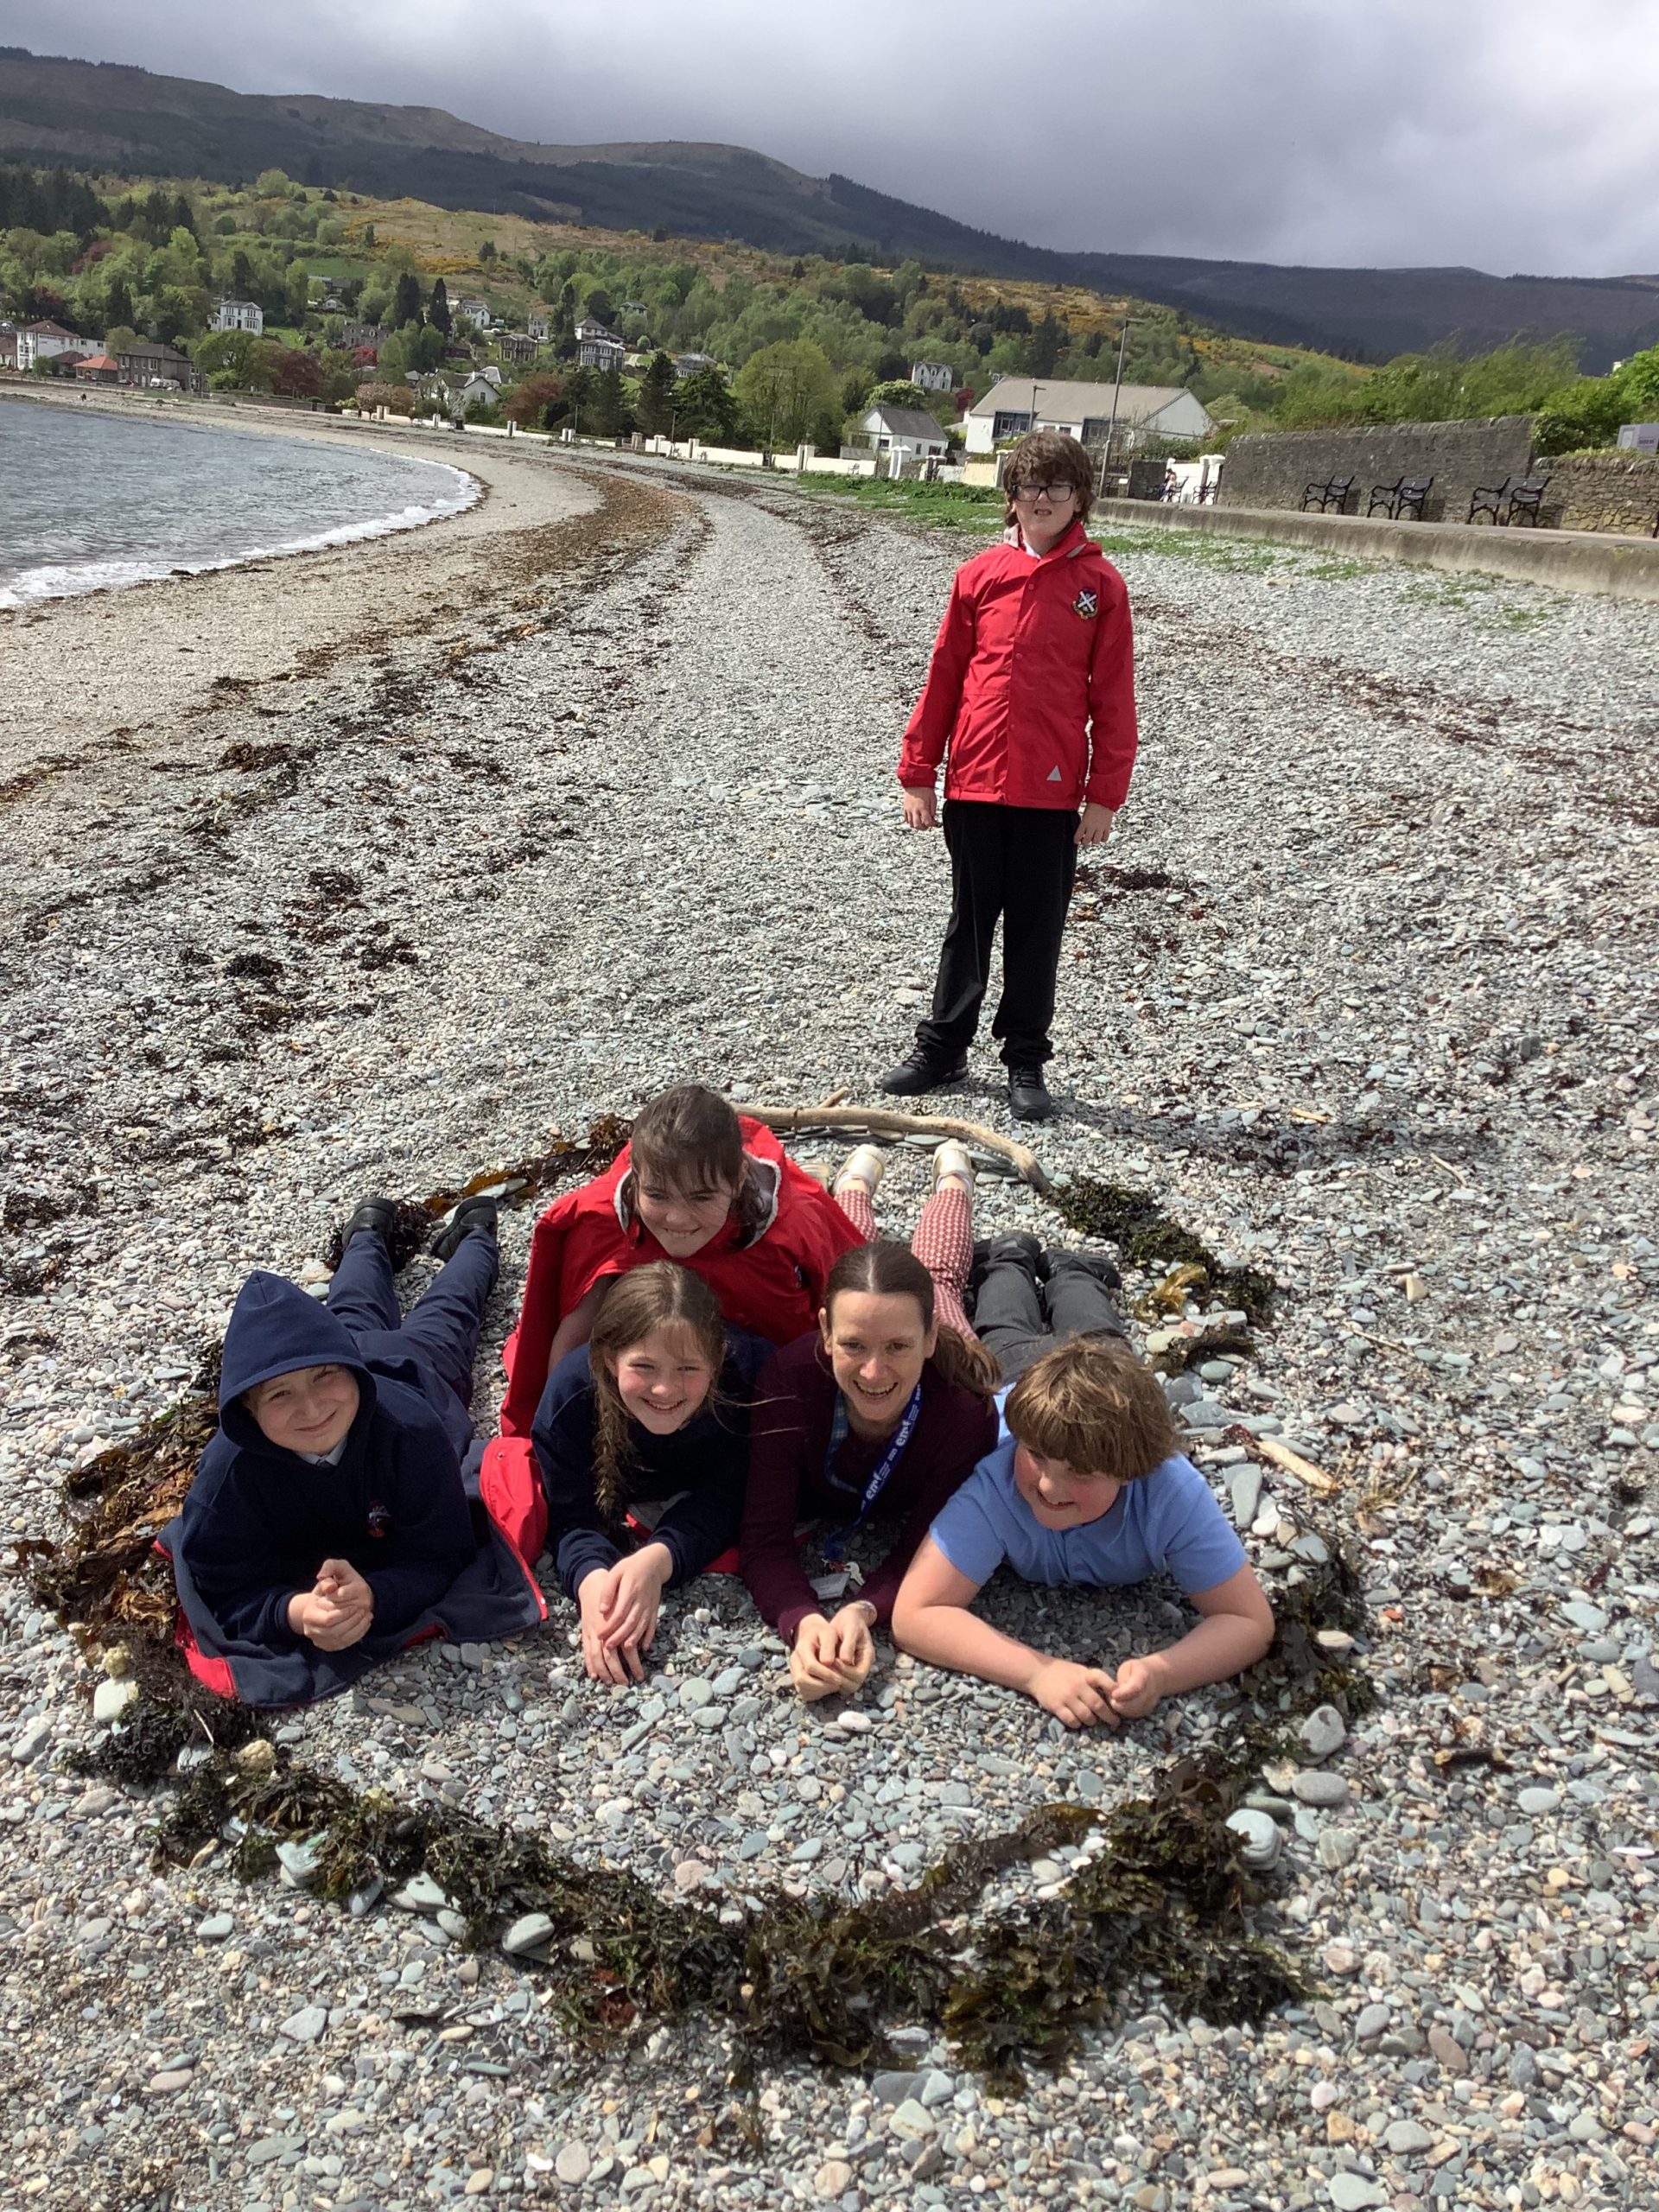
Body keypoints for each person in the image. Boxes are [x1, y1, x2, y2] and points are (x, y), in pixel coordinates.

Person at [164, 1197, 545, 1707]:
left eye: (323, 1380)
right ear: (247, 1412)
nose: (312, 1407)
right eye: (280, 1395)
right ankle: (368, 1228)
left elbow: (443, 1551)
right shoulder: (227, 1477)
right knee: (352, 1306)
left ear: (342, 1371)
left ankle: (476, 1233)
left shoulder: (410, 1433)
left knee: (449, 1310)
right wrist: (294, 1613)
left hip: (416, 1372)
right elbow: (221, 1587)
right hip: (340, 1350)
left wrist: (378, 1595)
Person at [881, 429, 1138, 1124]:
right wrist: (918, 773)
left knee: (1036, 930)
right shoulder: (978, 576)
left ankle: (1026, 1056)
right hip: (973, 784)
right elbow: (944, 677)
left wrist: (1103, 796)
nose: (1044, 498)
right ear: (1011, 498)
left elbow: (1113, 697)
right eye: (1031, 486)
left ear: (1080, 496)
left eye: (1059, 486)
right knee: (968, 923)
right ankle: (944, 1046)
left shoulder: (1100, 587)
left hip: (1052, 793)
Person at [891, 1334, 1274, 1730]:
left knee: (1084, 1295)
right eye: (1036, 1456)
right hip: (1016, 1372)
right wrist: (1038, 1673)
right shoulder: (997, 1485)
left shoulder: (1170, 1494)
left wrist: (1162, 1673)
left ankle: (1075, 1269)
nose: (1048, 1488)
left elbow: (1249, 1622)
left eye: (1080, 1473)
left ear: (1129, 1475)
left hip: (1096, 1368)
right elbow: (915, 1615)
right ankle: (1004, 1267)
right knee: (1005, 1297)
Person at [741, 1184, 1000, 1703]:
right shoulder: (787, 1379)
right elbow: (762, 1538)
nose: (874, 1371)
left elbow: (926, 1547)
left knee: (942, 1278)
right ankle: (854, 1186)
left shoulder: (966, 1413)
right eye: (853, 1345)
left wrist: (865, 1609)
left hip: (947, 1330)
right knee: (854, 1243)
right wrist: (803, 1619)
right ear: (825, 1333)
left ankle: (952, 1182)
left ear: (927, 1341)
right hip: (893, 1309)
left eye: (898, 1348)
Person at [497, 1084, 863, 1439]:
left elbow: (859, 1301)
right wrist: (564, 1434)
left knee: (858, 1225)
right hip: (663, 1383)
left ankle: (855, 1184)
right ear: (636, 1180)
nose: (677, 1219)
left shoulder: (796, 1224)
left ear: (738, 1180)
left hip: (754, 1390)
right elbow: (571, 1350)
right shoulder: (603, 1220)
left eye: (700, 1197)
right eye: (657, 1195)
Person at [532, 1262, 771, 1684]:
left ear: (717, 1359)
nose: (664, 1389)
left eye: (687, 1369)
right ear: (610, 1359)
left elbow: (731, 1497)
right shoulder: (570, 1400)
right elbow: (572, 1518)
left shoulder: (750, 1382)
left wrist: (657, 1562)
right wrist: (593, 1588)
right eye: (644, 1367)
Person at [970, 1230, 1127, 1382]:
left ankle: (1071, 1274)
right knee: (1002, 1330)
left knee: (1098, 1336)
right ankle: (1006, 1259)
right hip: (1094, 1374)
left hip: (1099, 1374)